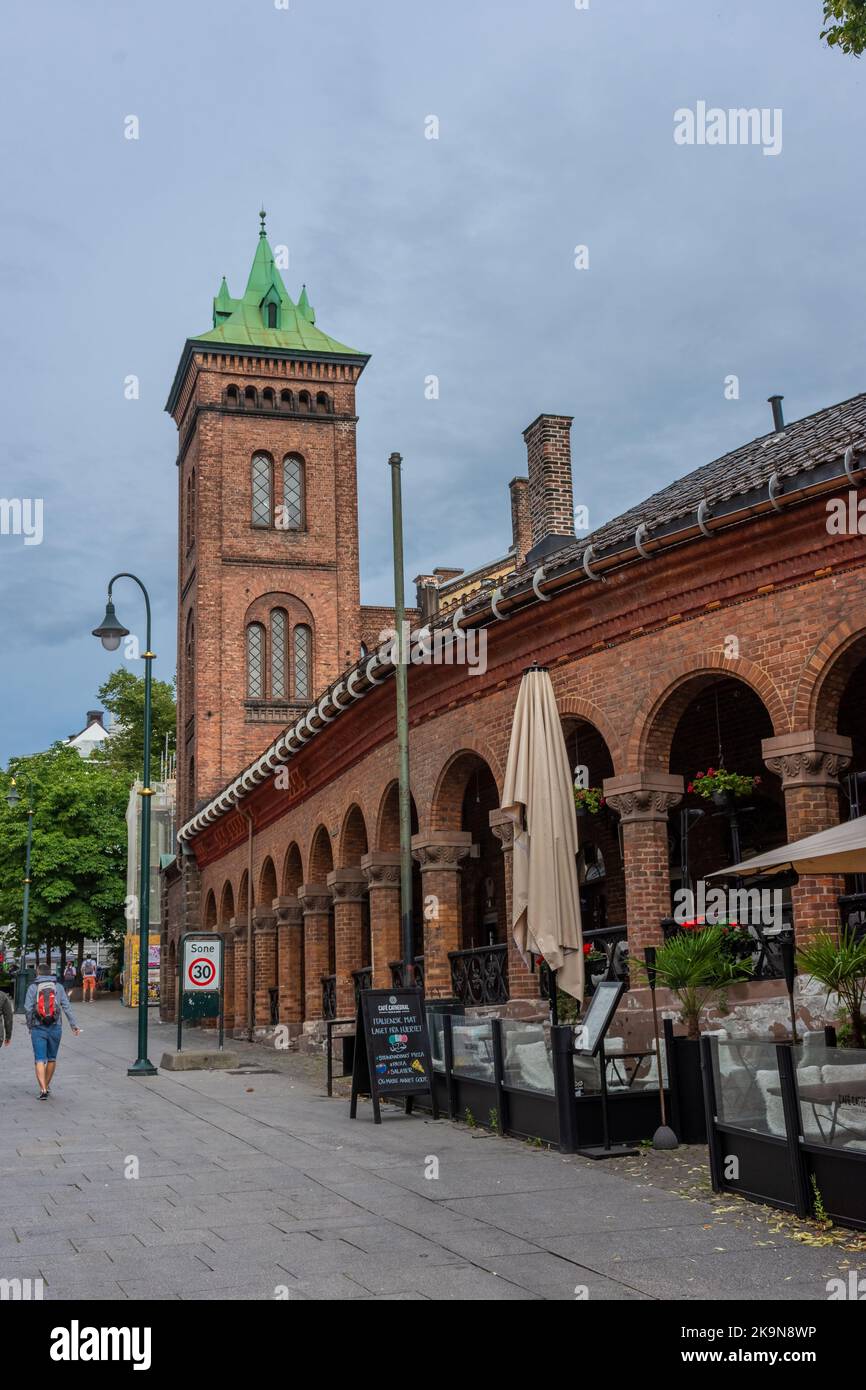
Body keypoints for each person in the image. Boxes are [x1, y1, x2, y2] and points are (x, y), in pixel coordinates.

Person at [24, 969, 80, 1099]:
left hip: (38, 1027)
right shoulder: (58, 987)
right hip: (55, 1027)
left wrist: (30, 1025)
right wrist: (74, 1025)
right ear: (50, 973)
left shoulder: (33, 987)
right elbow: (66, 1007)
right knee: (51, 1058)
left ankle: (43, 1089)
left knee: (39, 1059)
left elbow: (27, 1009)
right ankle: (46, 1086)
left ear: (38, 973)